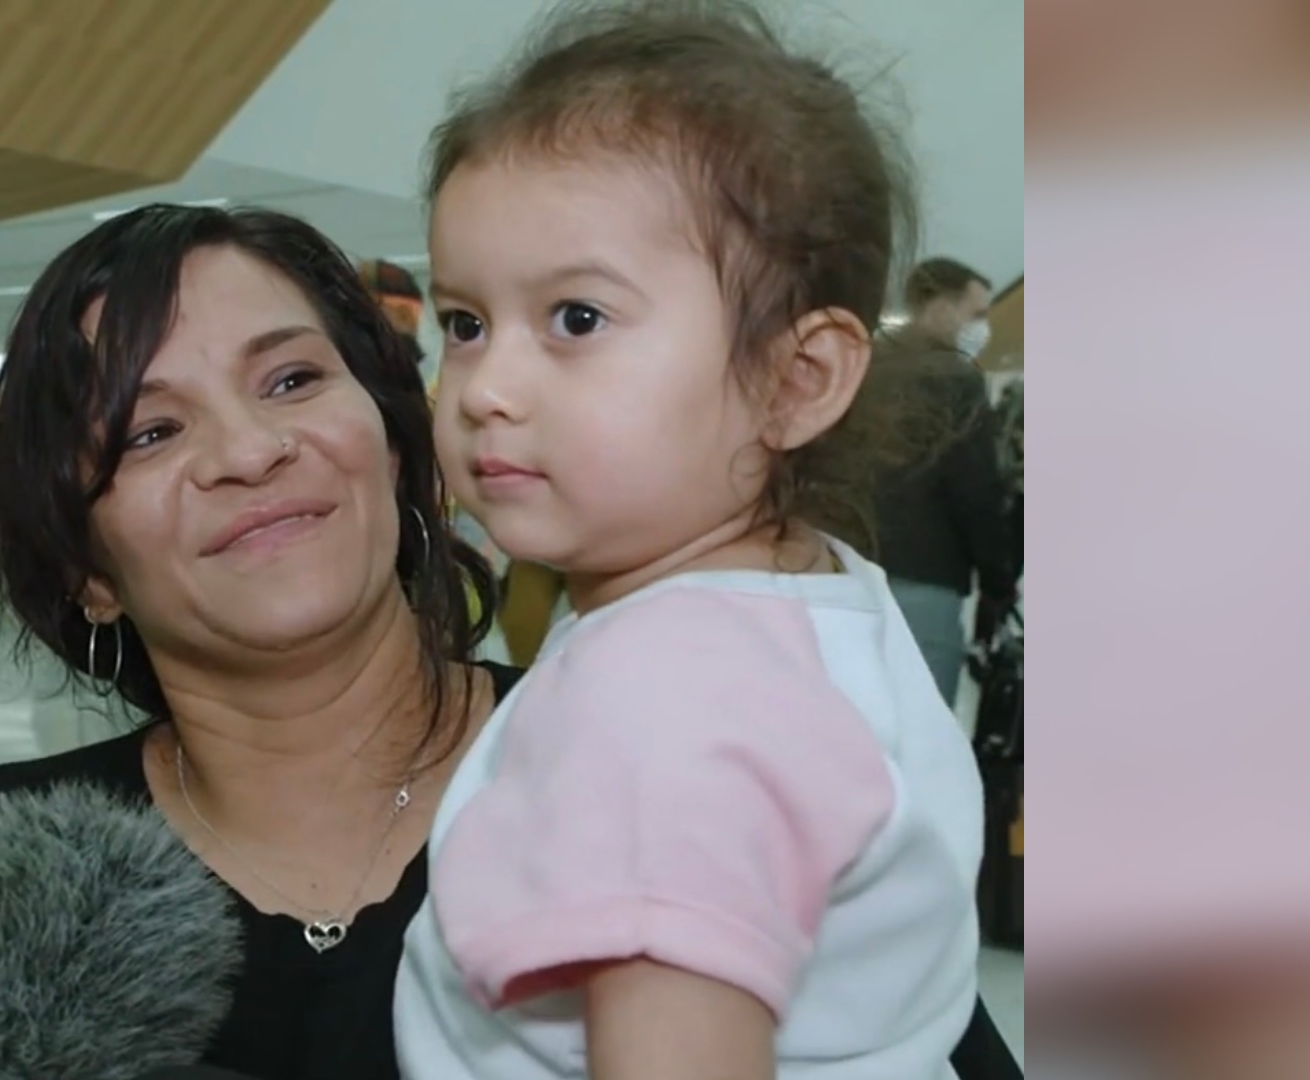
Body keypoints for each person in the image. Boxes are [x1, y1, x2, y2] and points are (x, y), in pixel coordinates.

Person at [396, 4, 985, 1079]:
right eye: (466, 323)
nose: (487, 390)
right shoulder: (808, 604)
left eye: (577, 318)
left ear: (794, 380)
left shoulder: (664, 698)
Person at [0, 204, 508, 1080]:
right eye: (151, 433)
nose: (247, 452)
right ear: (88, 571)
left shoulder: (634, 750)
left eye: (290, 381)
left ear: (390, 446)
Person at [874, 258, 1021, 703]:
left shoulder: (865, 368)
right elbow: (972, 489)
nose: (982, 327)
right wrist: (998, 577)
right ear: (938, 307)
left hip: (849, 576)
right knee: (920, 740)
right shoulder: (956, 379)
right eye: (975, 314)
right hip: (926, 581)